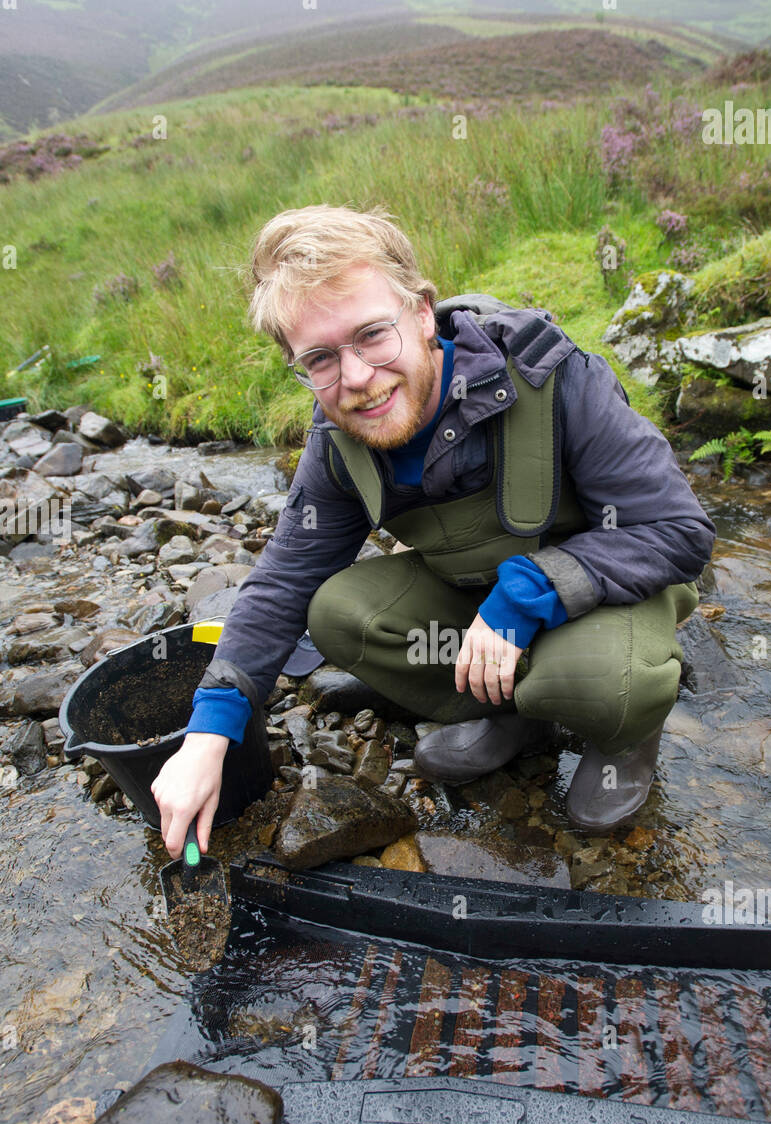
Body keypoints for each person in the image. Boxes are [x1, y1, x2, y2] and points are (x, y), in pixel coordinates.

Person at [152, 203, 715, 860]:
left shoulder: (552, 375)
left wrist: (525, 593)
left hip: (610, 587)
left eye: (370, 334)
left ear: (421, 312)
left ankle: (622, 734)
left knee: (602, 685)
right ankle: (514, 715)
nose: (356, 378)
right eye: (320, 358)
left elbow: (677, 531)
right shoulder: (337, 438)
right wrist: (208, 735)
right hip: (473, 599)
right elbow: (284, 577)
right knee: (335, 611)